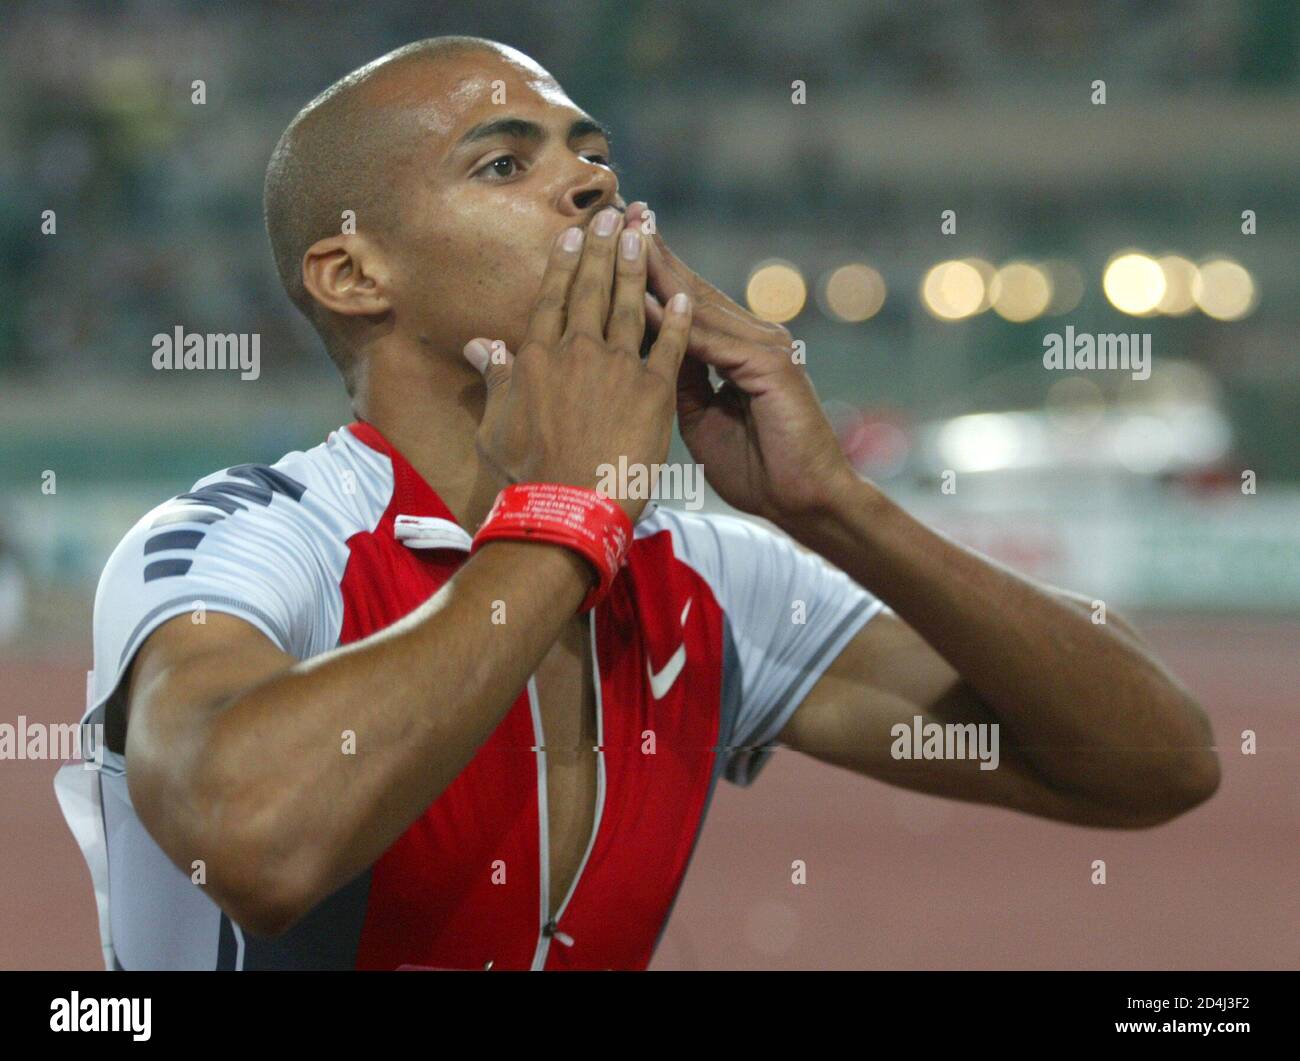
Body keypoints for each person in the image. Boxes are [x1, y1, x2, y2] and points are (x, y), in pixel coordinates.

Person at [55, 37, 1219, 971]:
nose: (593, 183)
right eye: (504, 164)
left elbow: (1152, 763)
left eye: (593, 154)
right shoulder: (246, 539)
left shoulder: (712, 576)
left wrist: (836, 507)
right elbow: (249, 839)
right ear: (355, 273)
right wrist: (567, 516)